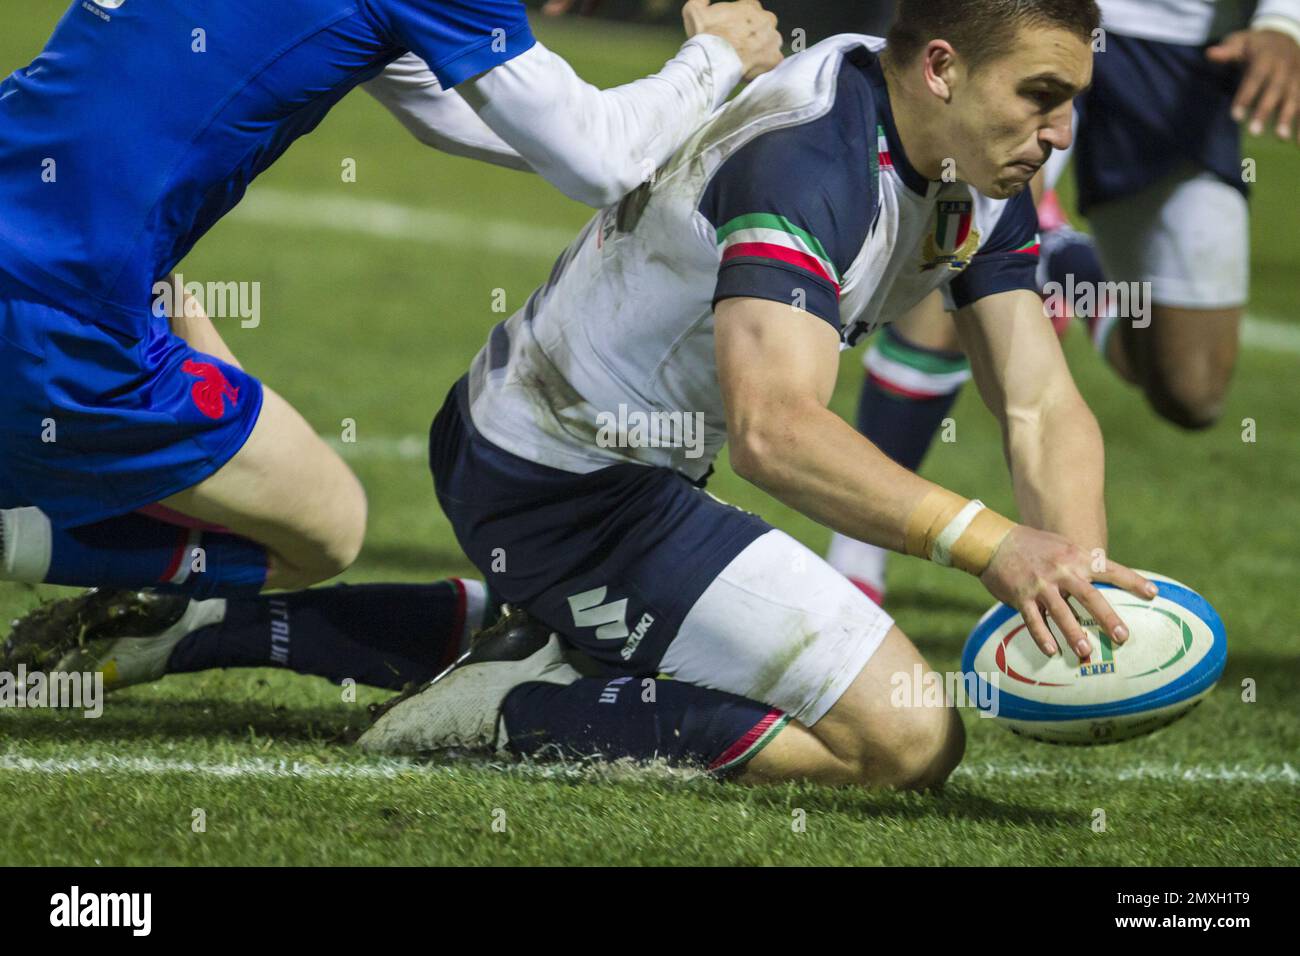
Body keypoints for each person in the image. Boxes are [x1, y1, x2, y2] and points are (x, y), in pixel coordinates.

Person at [357, 0, 1156, 788]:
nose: (1060, 134)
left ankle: (527, 636)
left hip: (632, 474)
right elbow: (775, 433)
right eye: (1041, 95)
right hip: (554, 479)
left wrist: (1083, 590)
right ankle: (519, 706)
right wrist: (994, 545)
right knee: (906, 742)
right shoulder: (809, 158)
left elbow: (1038, 402)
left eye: (1071, 102)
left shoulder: (968, 155)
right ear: (943, 68)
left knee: (875, 716)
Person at [0, 0, 782, 606]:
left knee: (175, 301)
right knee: (328, 533)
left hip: (46, 254)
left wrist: (677, 117)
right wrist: (716, 56)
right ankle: (62, 558)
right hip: (61, 307)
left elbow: (468, 117)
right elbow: (600, 158)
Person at [827, 0, 1300, 605]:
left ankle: (1053, 256)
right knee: (956, 239)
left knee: (1191, 389)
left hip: (1185, 48)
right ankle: (857, 561)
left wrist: (1282, 20)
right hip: (1031, 19)